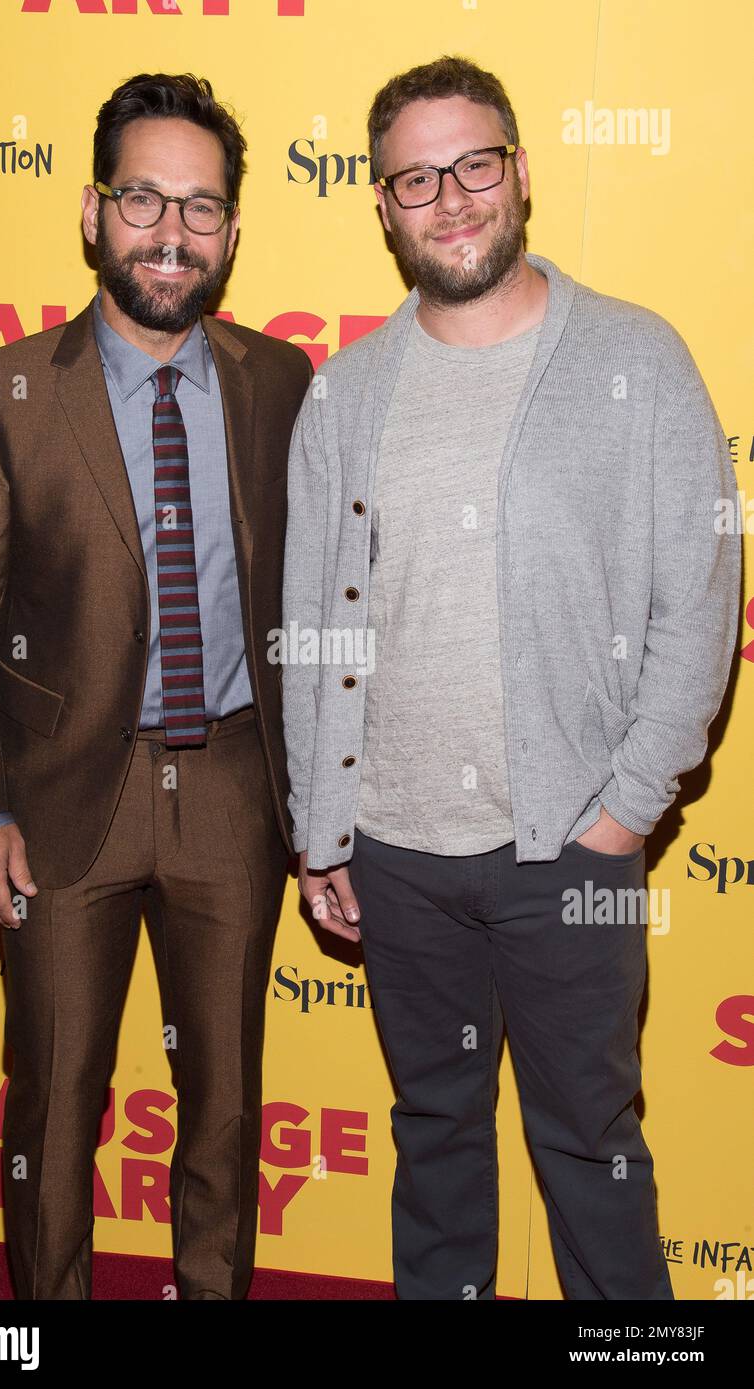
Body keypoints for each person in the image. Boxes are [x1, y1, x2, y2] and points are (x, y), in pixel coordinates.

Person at [281, 54, 740, 1299]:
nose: (450, 198)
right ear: (382, 204)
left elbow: (696, 602)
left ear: (520, 172)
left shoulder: (636, 360)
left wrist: (619, 813)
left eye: (473, 164)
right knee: (432, 1145)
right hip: (393, 855)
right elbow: (312, 618)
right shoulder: (348, 390)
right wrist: (320, 832)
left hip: (571, 855)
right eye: (415, 178)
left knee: (590, 1151)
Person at [0, 71, 312, 1300]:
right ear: (93, 213)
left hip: (235, 788)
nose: (170, 232)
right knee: (50, 1106)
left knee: (228, 1110)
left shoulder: (279, 382)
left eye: (200, 208)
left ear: (233, 234)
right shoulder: (4, 393)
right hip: (55, 807)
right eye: (143, 198)